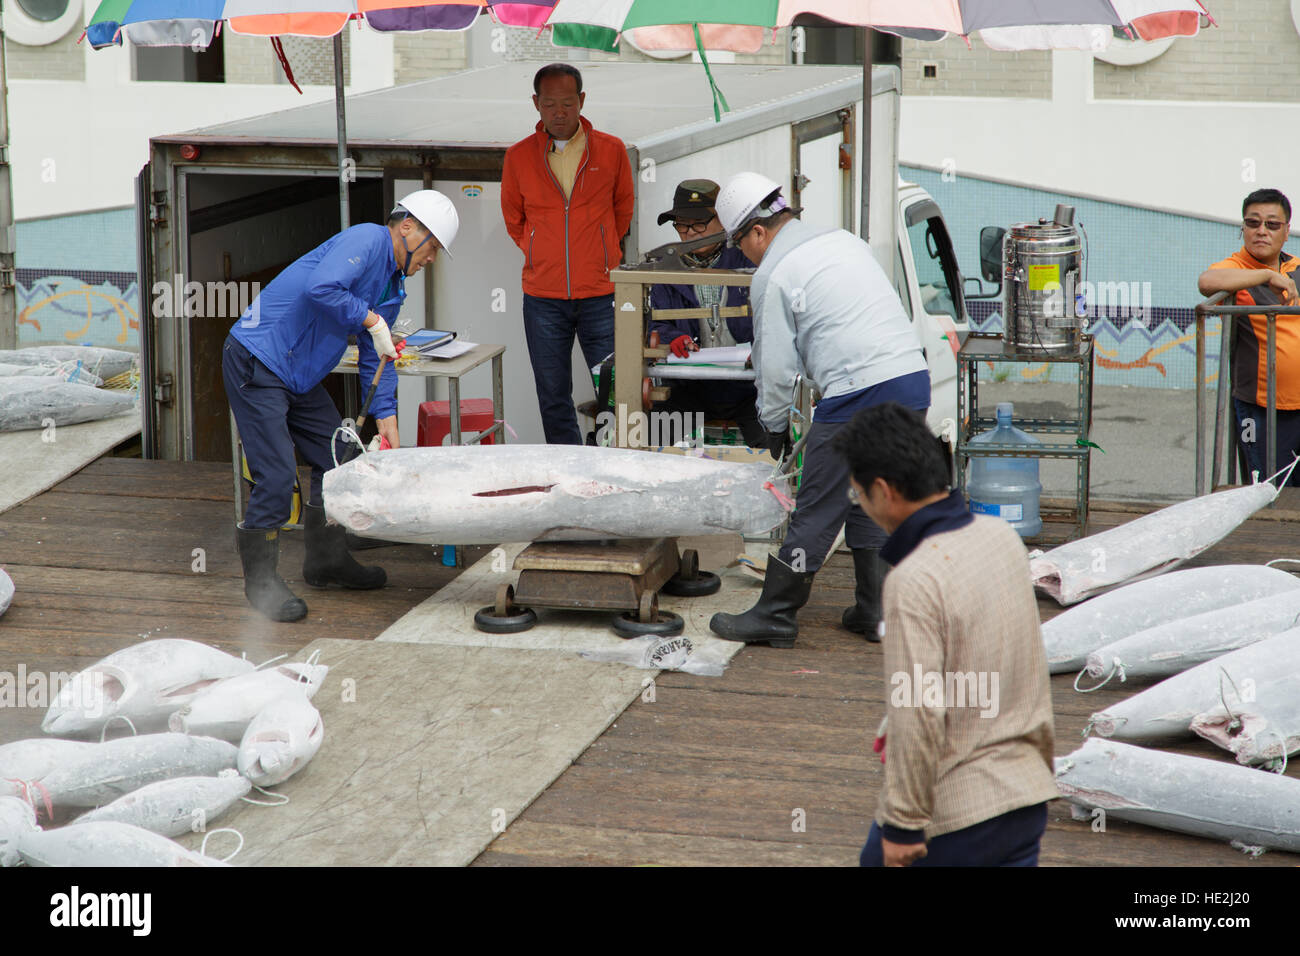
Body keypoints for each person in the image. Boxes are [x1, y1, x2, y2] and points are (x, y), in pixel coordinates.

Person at [708, 171, 930, 647]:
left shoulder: (774, 273)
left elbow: (775, 364)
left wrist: (772, 424)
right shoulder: (843, 240)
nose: (741, 255)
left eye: (738, 244)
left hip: (859, 392)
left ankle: (776, 614)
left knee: (815, 504)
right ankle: (876, 611)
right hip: (910, 378)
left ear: (758, 231)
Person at [835, 402, 1058, 867]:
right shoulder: (1001, 537)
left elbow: (917, 710)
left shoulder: (914, 580)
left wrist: (901, 823)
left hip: (961, 814)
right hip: (1026, 798)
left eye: (859, 497)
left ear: (883, 491)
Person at [222, 190, 459, 621]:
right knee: (276, 473)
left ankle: (327, 561)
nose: (432, 259)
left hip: (299, 374)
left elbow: (376, 355)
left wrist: (386, 416)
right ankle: (260, 584)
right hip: (258, 358)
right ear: (407, 227)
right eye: (433, 247)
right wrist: (371, 320)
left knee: (342, 457)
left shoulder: (393, 283)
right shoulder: (367, 239)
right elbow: (321, 288)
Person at [501, 63, 635, 445]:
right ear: (536, 104)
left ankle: (610, 459)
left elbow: (623, 209)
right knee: (552, 392)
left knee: (613, 388)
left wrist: (602, 249)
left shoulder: (610, 150)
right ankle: (569, 466)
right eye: (550, 104)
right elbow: (514, 218)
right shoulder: (518, 156)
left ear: (581, 101)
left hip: (601, 291)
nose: (559, 112)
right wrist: (537, 249)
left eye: (567, 103)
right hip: (543, 297)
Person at [647, 178, 763, 446]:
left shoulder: (751, 262)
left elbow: (774, 322)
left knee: (772, 447)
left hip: (750, 389)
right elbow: (652, 323)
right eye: (682, 224)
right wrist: (671, 337)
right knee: (659, 441)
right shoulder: (665, 269)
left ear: (723, 221)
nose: (690, 232)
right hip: (690, 387)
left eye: (699, 223)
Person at [1198, 187, 1300, 485]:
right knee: (1266, 490)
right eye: (1253, 223)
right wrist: (1267, 276)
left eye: (1272, 224)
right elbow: (1207, 282)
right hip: (1258, 409)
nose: (1262, 231)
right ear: (1243, 228)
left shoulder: (1297, 268)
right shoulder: (1237, 268)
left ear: (1286, 231)